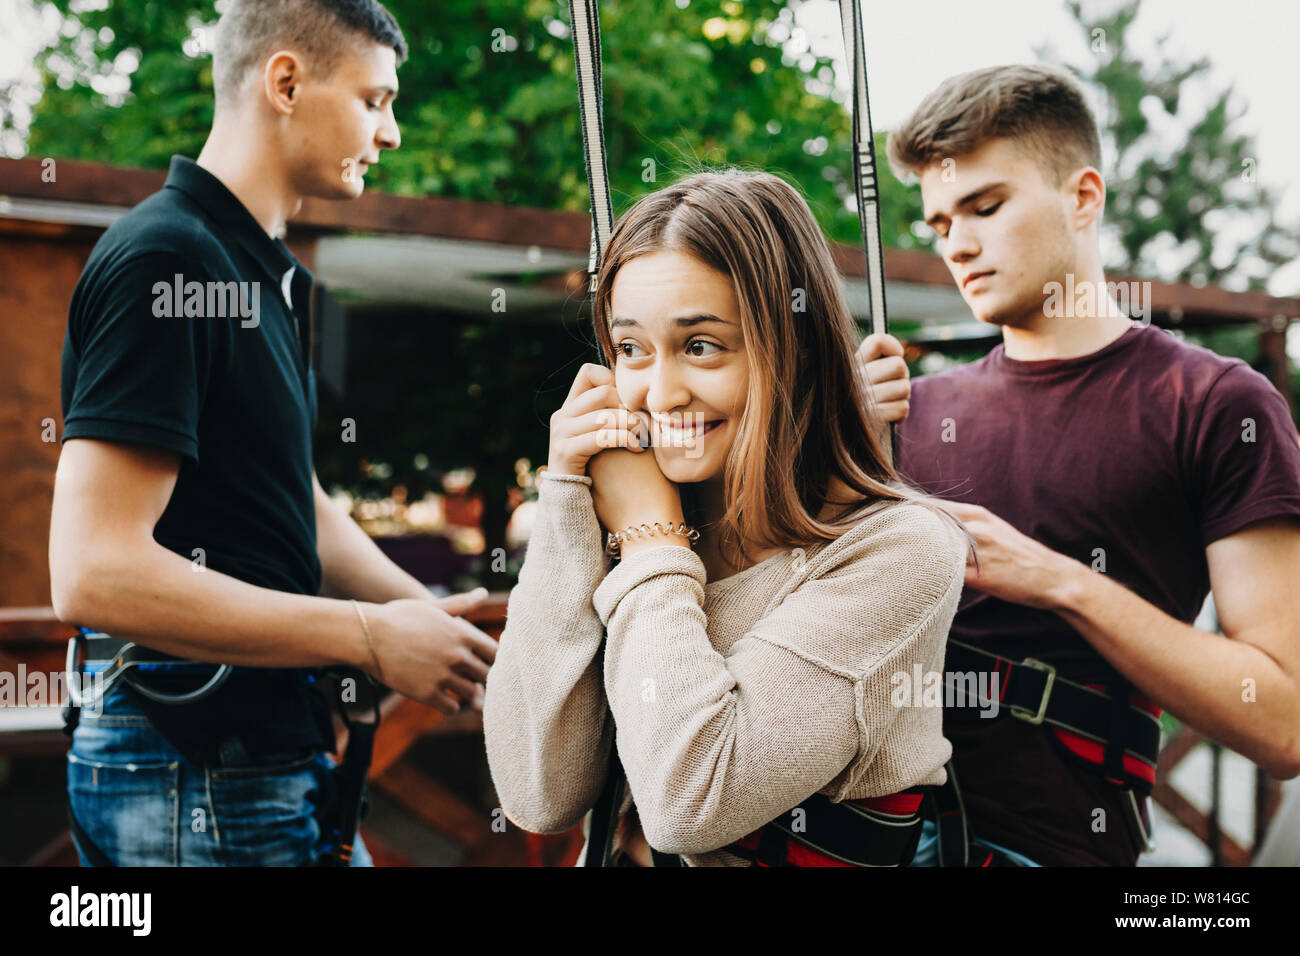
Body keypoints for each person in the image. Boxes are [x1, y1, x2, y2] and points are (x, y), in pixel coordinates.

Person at [50, 0, 498, 866]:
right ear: (285, 81)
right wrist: (368, 636)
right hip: (189, 767)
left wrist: (422, 617)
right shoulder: (167, 260)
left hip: (253, 768)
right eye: (375, 101)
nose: (392, 132)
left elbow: (295, 498)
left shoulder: (262, 274)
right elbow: (93, 572)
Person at [857, 64, 1300, 866]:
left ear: (1083, 198)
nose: (957, 242)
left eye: (986, 207)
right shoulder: (902, 415)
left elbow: (1284, 719)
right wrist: (827, 444)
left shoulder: (1213, 403)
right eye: (936, 222)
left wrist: (1059, 581)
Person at [483, 168, 973, 866]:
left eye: (701, 346)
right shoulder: (633, 524)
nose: (659, 393)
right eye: (630, 349)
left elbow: (689, 803)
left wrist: (652, 540)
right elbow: (538, 792)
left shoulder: (899, 551)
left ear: (798, 350)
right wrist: (567, 494)